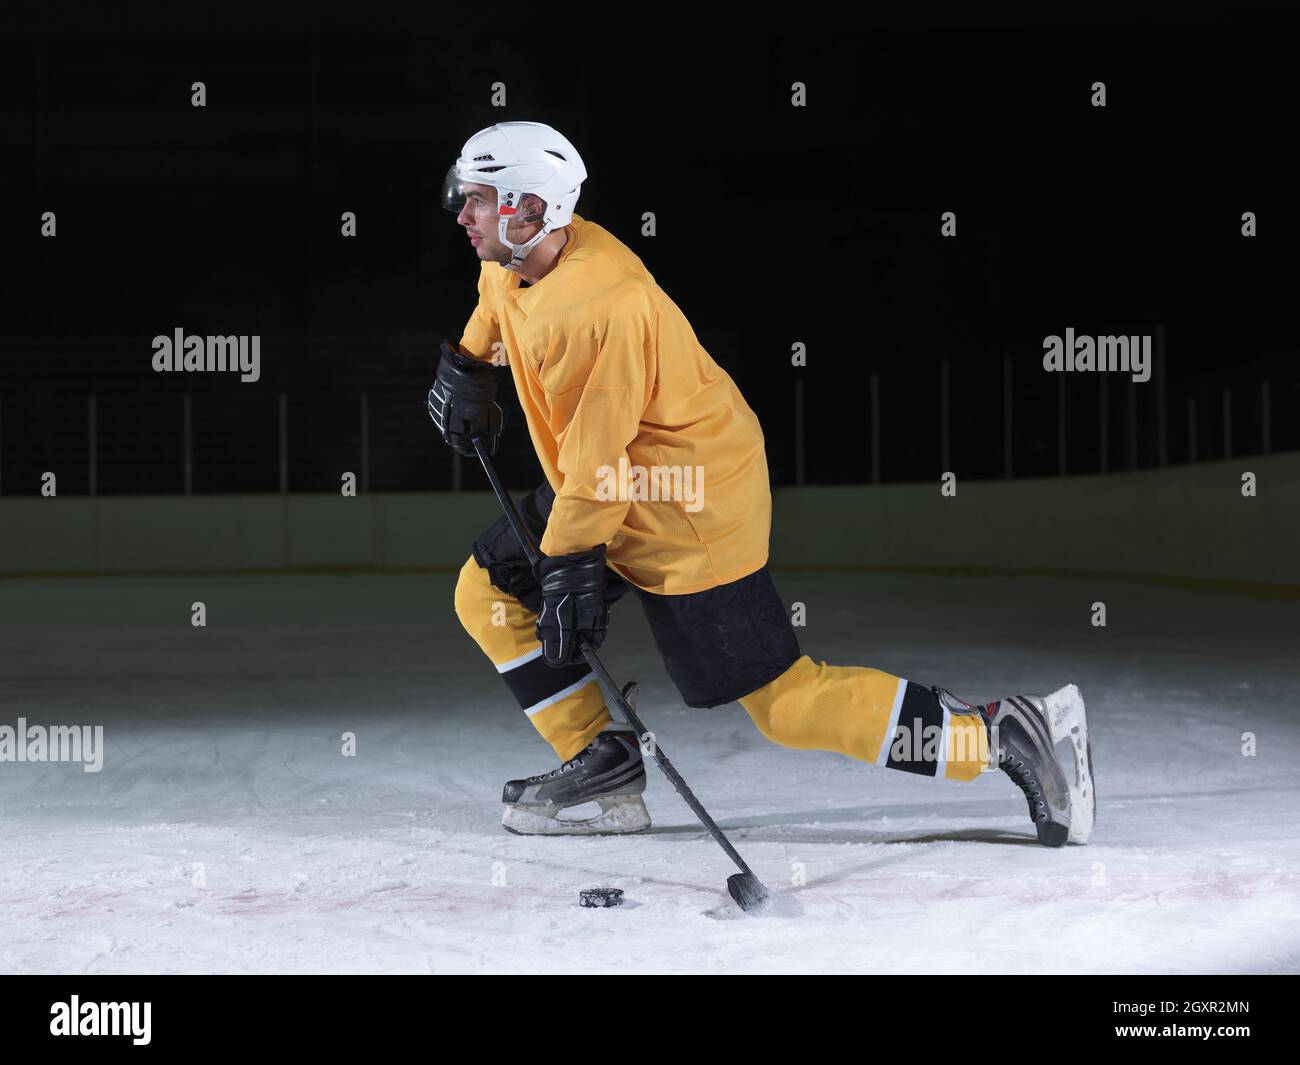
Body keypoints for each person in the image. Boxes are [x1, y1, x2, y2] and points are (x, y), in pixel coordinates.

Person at [430, 121, 1094, 845]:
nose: (463, 214)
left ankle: (998, 737)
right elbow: (500, 311)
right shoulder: (518, 258)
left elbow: (596, 469)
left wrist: (568, 568)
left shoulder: (603, 306)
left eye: (479, 200)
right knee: (486, 590)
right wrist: (470, 366)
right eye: (462, 196)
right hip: (612, 483)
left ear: (530, 210)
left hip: (691, 507)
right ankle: (600, 758)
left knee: (787, 705)